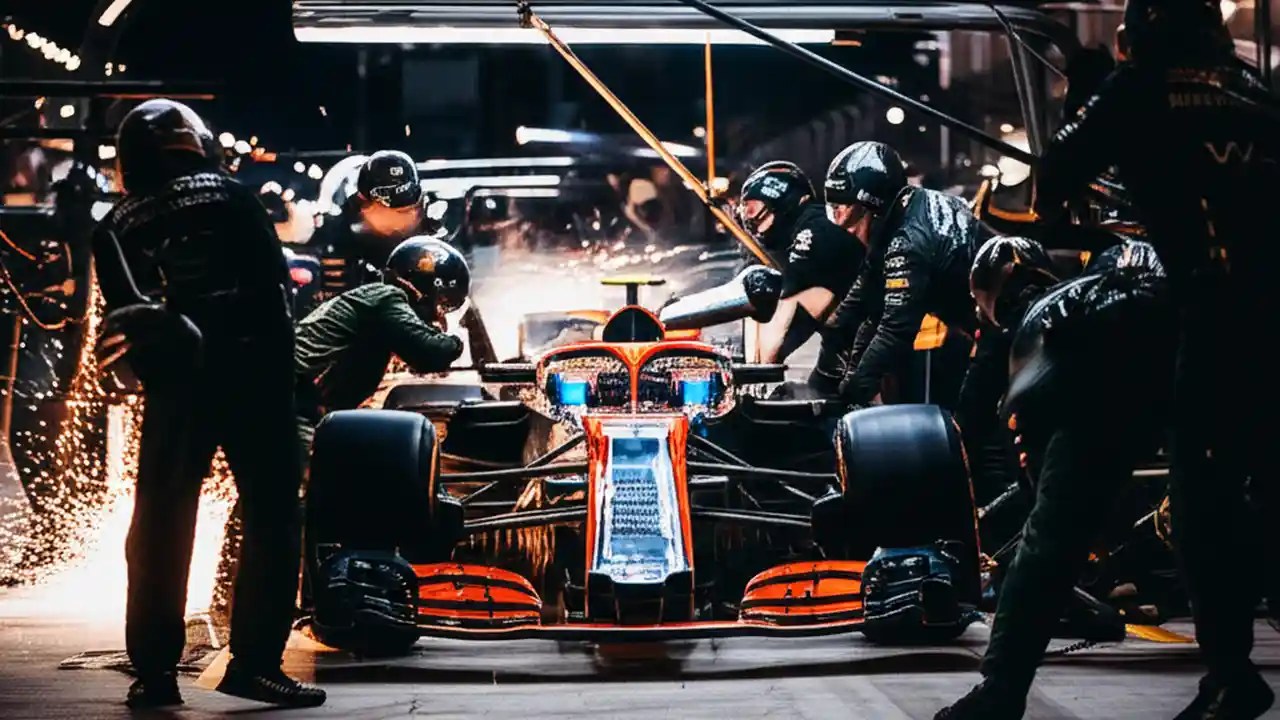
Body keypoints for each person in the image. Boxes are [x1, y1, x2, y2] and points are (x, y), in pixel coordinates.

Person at [1022, 0, 1280, 716]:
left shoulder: (1137, 87)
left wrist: (1089, 87)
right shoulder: (1255, 88)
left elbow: (1057, 171)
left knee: (1204, 503)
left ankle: (1232, 675)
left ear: (1140, 35)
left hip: (1216, 316)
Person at [91, 98, 325, 708]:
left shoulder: (115, 225)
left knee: (160, 527)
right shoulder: (234, 197)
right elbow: (277, 299)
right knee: (273, 520)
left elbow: (127, 319)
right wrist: (290, 386)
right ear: (197, 145)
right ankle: (255, 665)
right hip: (255, 378)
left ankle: (156, 672)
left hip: (178, 389)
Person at [937, 234, 1171, 720]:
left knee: (1047, 541)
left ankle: (1001, 691)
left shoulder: (1041, 326)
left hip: (1114, 376)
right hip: (1202, 348)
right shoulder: (1102, 281)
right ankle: (1230, 676)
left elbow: (988, 423)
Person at [824, 141, 997, 409]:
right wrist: (833, 346)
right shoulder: (901, 212)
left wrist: (851, 391)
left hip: (1002, 324)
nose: (846, 228)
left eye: (850, 214)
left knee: (972, 417)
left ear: (874, 207)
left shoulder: (908, 241)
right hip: (976, 319)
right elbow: (862, 303)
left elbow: (894, 329)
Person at [294, 236, 469, 446]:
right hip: (289, 401)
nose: (438, 314)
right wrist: (455, 330)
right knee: (318, 474)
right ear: (428, 291)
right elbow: (432, 352)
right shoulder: (387, 298)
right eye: (442, 304)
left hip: (290, 396)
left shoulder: (373, 298)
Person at [735, 161, 863, 396]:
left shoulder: (816, 232)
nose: (755, 229)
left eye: (756, 213)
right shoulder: (817, 226)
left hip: (881, 360)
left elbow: (770, 350)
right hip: (849, 353)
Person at [307, 150, 441, 300]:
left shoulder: (433, 226)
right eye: (394, 210)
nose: (402, 219)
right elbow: (334, 300)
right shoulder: (342, 234)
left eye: (409, 209)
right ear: (364, 204)